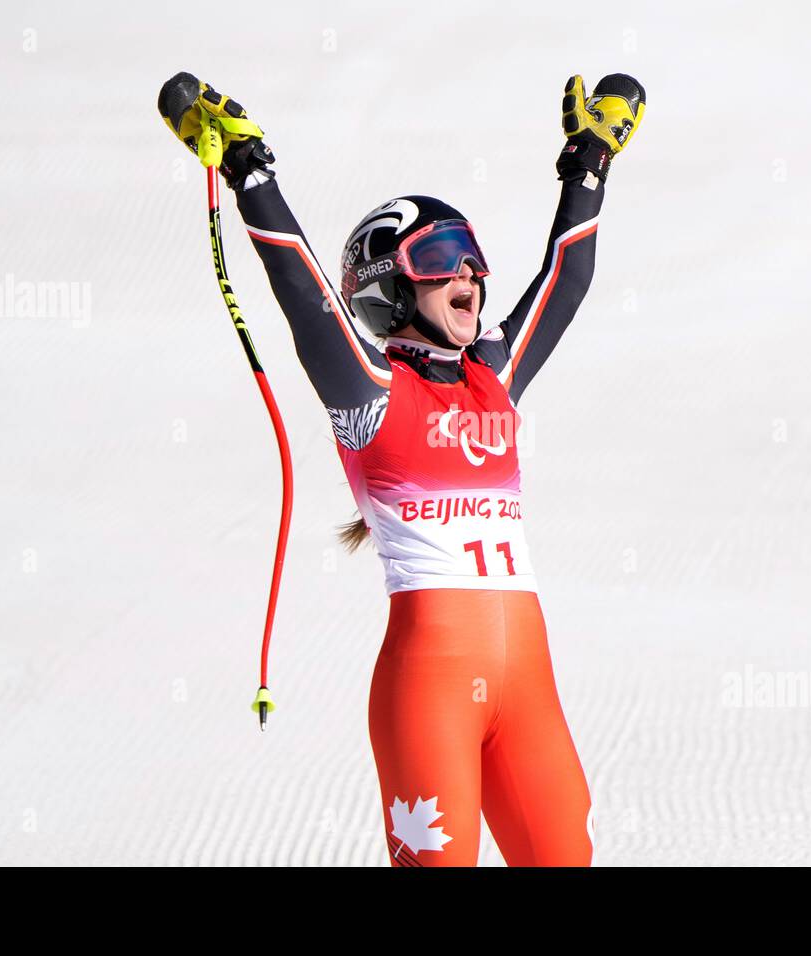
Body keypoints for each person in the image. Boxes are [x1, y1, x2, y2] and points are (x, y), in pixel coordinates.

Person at [159, 71, 645, 865]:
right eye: (444, 258)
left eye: (473, 257)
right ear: (391, 286)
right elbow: (304, 294)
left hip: (528, 684)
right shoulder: (370, 392)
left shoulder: (496, 373)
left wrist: (588, 160)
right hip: (430, 691)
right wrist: (251, 169)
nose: (472, 275)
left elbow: (569, 278)